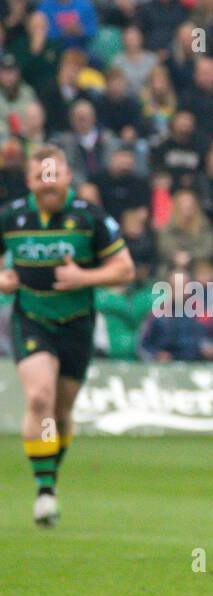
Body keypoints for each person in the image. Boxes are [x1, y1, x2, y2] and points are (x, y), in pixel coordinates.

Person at [0, 144, 133, 527]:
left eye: (53, 175)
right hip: (32, 319)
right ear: (29, 181)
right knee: (40, 396)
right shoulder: (11, 218)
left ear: (67, 177)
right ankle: (43, 492)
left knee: (60, 412)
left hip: (77, 322)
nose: (47, 184)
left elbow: (124, 270)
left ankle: (50, 480)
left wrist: (84, 278)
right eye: (40, 177)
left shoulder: (90, 218)